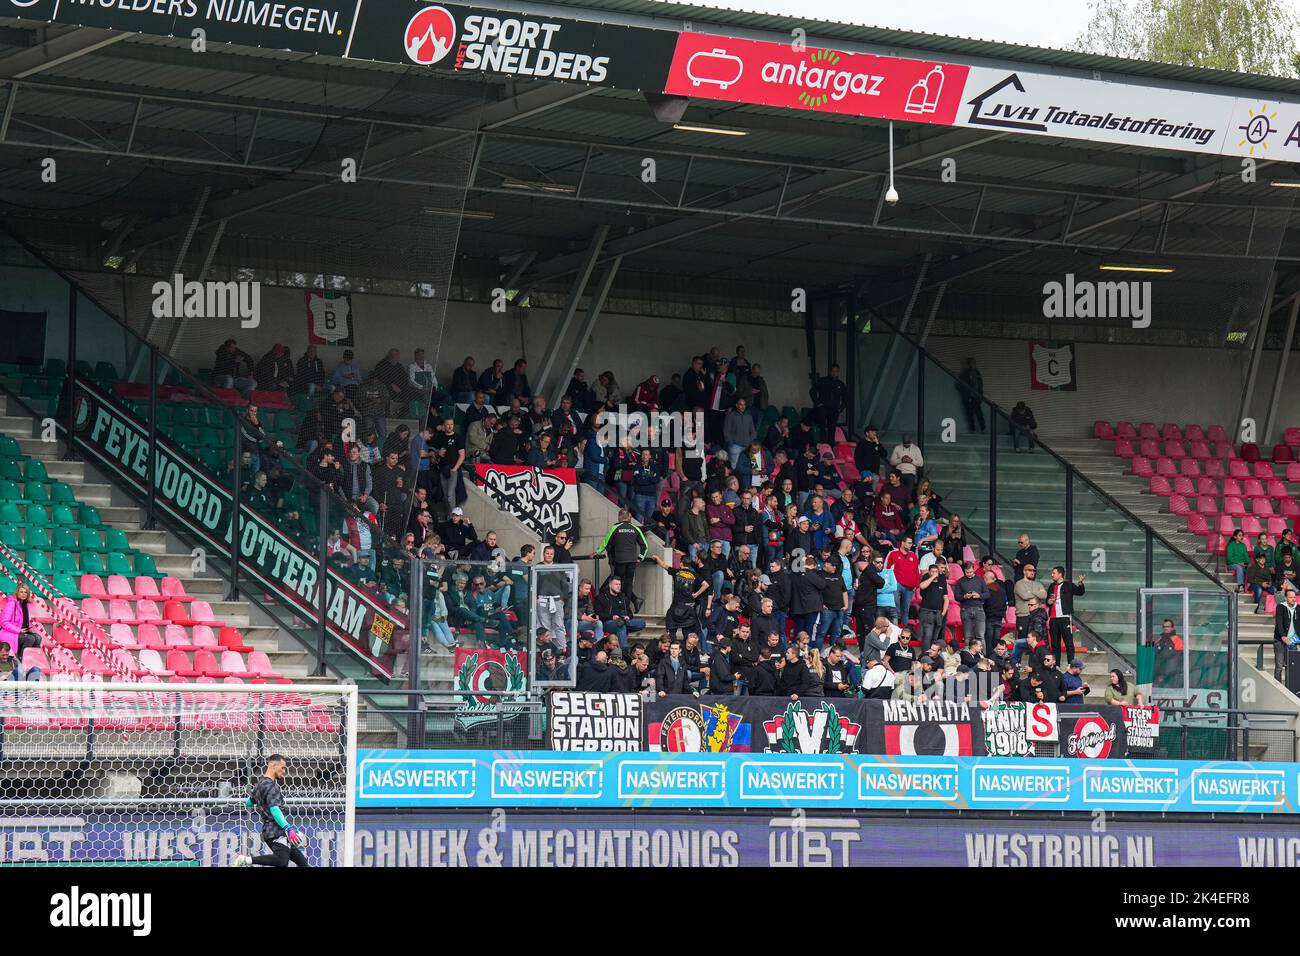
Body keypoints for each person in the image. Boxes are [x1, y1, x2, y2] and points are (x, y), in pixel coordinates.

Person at [235, 754, 309, 868]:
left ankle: (246, 860)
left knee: (303, 863)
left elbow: (250, 801)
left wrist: (256, 801)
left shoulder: (259, 784)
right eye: (282, 767)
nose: (284, 771)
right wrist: (288, 828)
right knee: (281, 861)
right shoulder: (271, 786)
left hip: (269, 831)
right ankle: (245, 860)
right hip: (276, 831)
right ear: (274, 765)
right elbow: (274, 809)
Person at [598, 508, 649, 611]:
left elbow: (605, 543)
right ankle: (628, 606)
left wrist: (597, 552)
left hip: (620, 561)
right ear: (628, 517)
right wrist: (640, 557)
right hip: (632, 561)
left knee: (617, 583)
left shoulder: (615, 528)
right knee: (628, 584)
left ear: (619, 517)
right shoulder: (635, 528)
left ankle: (623, 606)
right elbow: (645, 546)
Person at [1046, 566, 1085, 664]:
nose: (1052, 575)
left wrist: (1080, 583)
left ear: (1060, 574)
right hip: (1053, 618)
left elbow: (1080, 592)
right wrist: (1049, 602)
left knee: (1068, 643)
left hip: (1065, 617)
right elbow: (1047, 601)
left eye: (1054, 573)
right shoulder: (1051, 586)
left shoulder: (1069, 585)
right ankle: (1056, 665)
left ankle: (1070, 664)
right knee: (1055, 644)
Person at [1275, 588, 1300, 680]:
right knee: (1279, 665)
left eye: (1294, 597)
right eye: (1291, 597)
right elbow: (1279, 623)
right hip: (1280, 640)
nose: (1293, 599)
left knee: (1292, 665)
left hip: (1293, 640)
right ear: (1286, 598)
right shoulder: (1280, 607)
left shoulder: (1298, 608)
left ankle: (1290, 689)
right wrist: (1283, 636)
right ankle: (1277, 686)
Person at [957, 357, 985, 433]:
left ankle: (983, 429)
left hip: (976, 397)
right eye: (972, 363)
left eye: (974, 363)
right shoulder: (965, 374)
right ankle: (972, 429)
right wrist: (966, 394)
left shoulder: (977, 373)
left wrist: (980, 396)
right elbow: (959, 385)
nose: (974, 364)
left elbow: (980, 386)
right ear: (968, 364)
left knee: (979, 414)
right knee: (970, 414)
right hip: (969, 397)